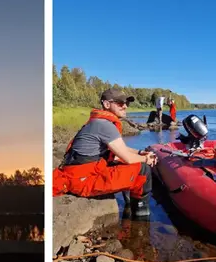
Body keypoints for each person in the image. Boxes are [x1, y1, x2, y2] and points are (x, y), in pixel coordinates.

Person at [52, 88, 157, 219]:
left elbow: (121, 150)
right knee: (143, 169)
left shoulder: (98, 122)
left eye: (126, 103)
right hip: (82, 180)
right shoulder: (105, 125)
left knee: (127, 162)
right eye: (120, 103)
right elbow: (128, 158)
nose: (125, 106)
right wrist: (146, 159)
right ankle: (141, 216)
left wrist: (141, 152)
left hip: (79, 173)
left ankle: (128, 205)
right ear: (106, 104)